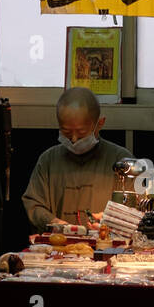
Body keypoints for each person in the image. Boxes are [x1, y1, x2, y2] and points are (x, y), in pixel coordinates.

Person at [22, 86, 129, 229]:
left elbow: (136, 213)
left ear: (100, 124)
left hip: (106, 246)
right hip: (60, 246)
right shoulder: (48, 160)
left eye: (81, 132)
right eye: (66, 132)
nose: (73, 139)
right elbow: (33, 204)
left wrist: (112, 221)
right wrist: (54, 222)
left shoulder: (122, 161)